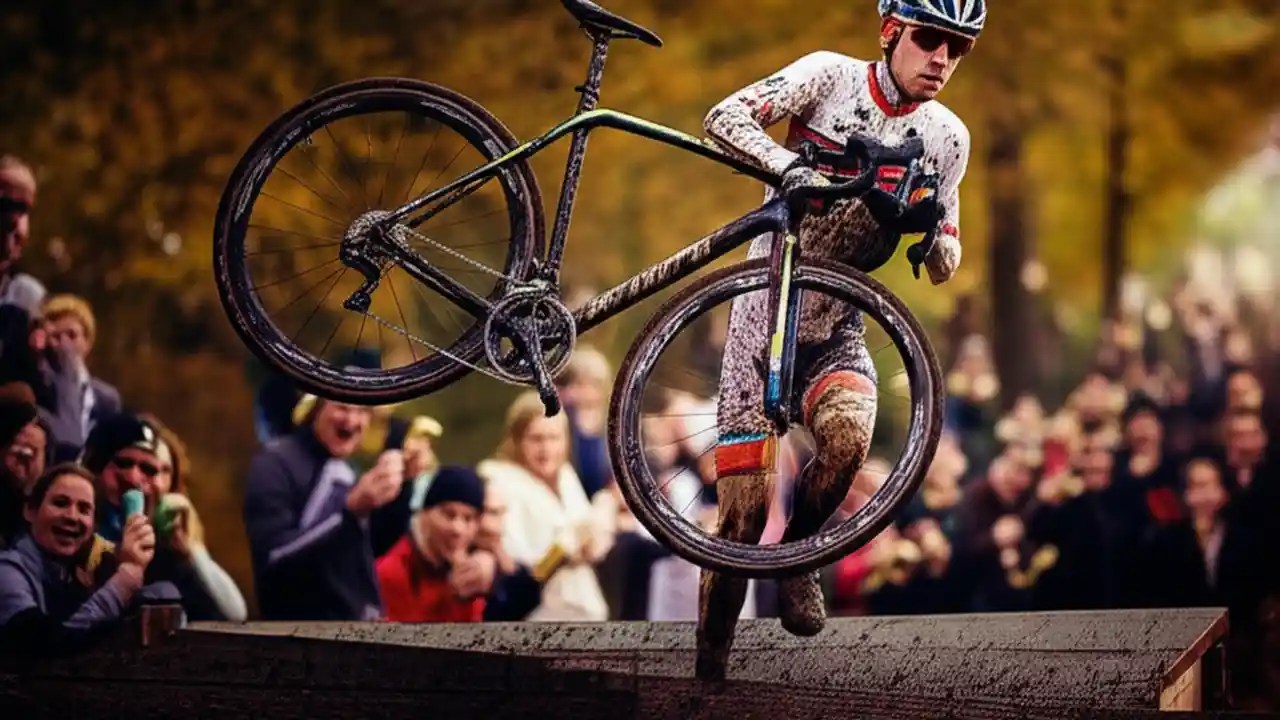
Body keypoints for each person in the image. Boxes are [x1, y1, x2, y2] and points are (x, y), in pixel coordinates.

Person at [695, 0, 983, 679]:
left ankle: (802, 557)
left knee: (851, 438)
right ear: (891, 33)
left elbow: (948, 246)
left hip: (838, 319)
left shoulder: (949, 137)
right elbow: (722, 118)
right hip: (763, 311)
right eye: (929, 39)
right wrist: (785, 164)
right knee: (742, 517)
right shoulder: (827, 77)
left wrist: (938, 240)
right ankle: (709, 665)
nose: (941, 59)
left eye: (959, 48)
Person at [243, 395, 403, 620]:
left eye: (362, 411)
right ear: (315, 410)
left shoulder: (346, 473)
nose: (352, 419)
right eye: (342, 407)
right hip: (298, 637)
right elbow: (275, 561)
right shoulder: (275, 463)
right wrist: (349, 512)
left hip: (355, 637)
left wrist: (405, 487)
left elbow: (371, 554)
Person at [0, 464, 172, 657]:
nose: (72, 517)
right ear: (31, 511)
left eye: (84, 509)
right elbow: (47, 647)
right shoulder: (7, 572)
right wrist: (123, 581)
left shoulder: (76, 574)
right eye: (60, 503)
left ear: (94, 526)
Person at [376, 466, 487, 623]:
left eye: (468, 519)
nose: (458, 529)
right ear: (425, 514)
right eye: (449, 514)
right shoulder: (391, 572)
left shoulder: (469, 577)